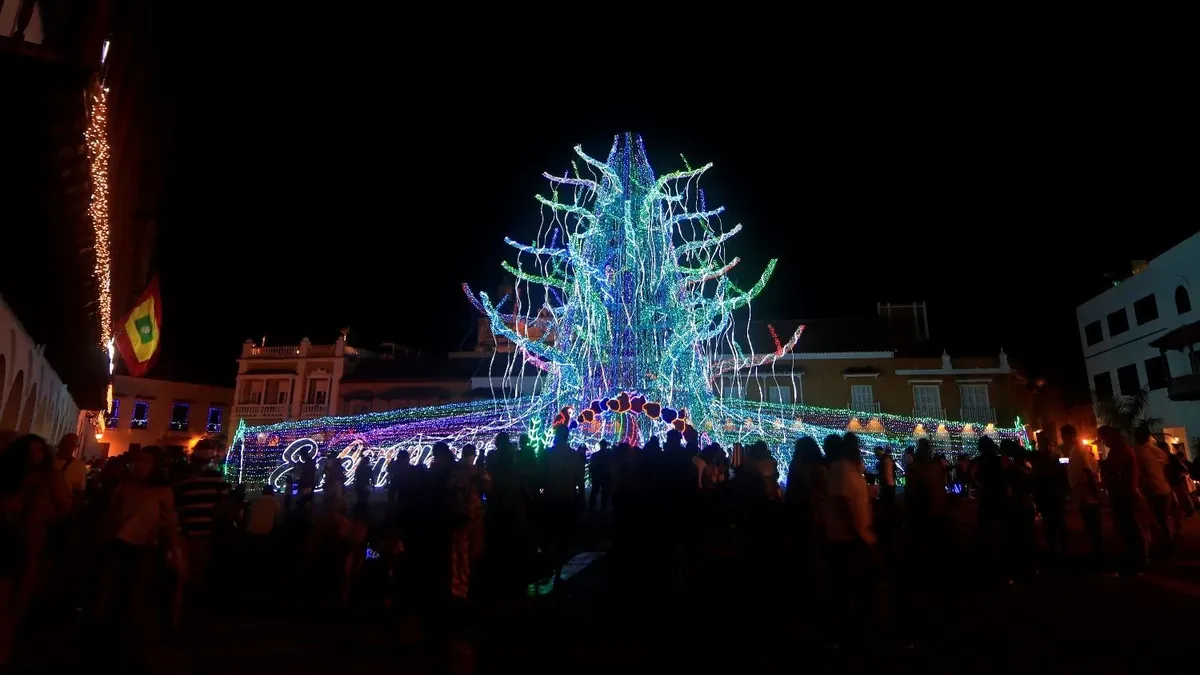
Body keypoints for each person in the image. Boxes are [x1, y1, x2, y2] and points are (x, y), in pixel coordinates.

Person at [1099, 425, 1145, 575]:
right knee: (1128, 529)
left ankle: (1136, 563)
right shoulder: (1120, 450)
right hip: (1123, 494)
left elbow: (1118, 474)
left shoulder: (1121, 451)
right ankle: (1135, 561)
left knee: (1130, 529)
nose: (1103, 442)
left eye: (1104, 438)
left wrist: (1106, 470)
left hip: (1124, 495)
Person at [1064, 425, 1105, 573]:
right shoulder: (1074, 451)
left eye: (1065, 436)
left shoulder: (1079, 450)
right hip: (1083, 497)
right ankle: (1097, 558)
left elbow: (1088, 471)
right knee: (1090, 528)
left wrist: (1094, 493)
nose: (1064, 440)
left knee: (1094, 529)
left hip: (1087, 497)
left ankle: (1100, 561)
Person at [1133, 425, 1173, 554]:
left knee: (1151, 520)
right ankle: (1167, 544)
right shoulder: (1158, 451)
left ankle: (1160, 546)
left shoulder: (1139, 453)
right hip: (1164, 489)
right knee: (1162, 520)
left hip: (1151, 490)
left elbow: (1138, 473)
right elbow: (1166, 469)